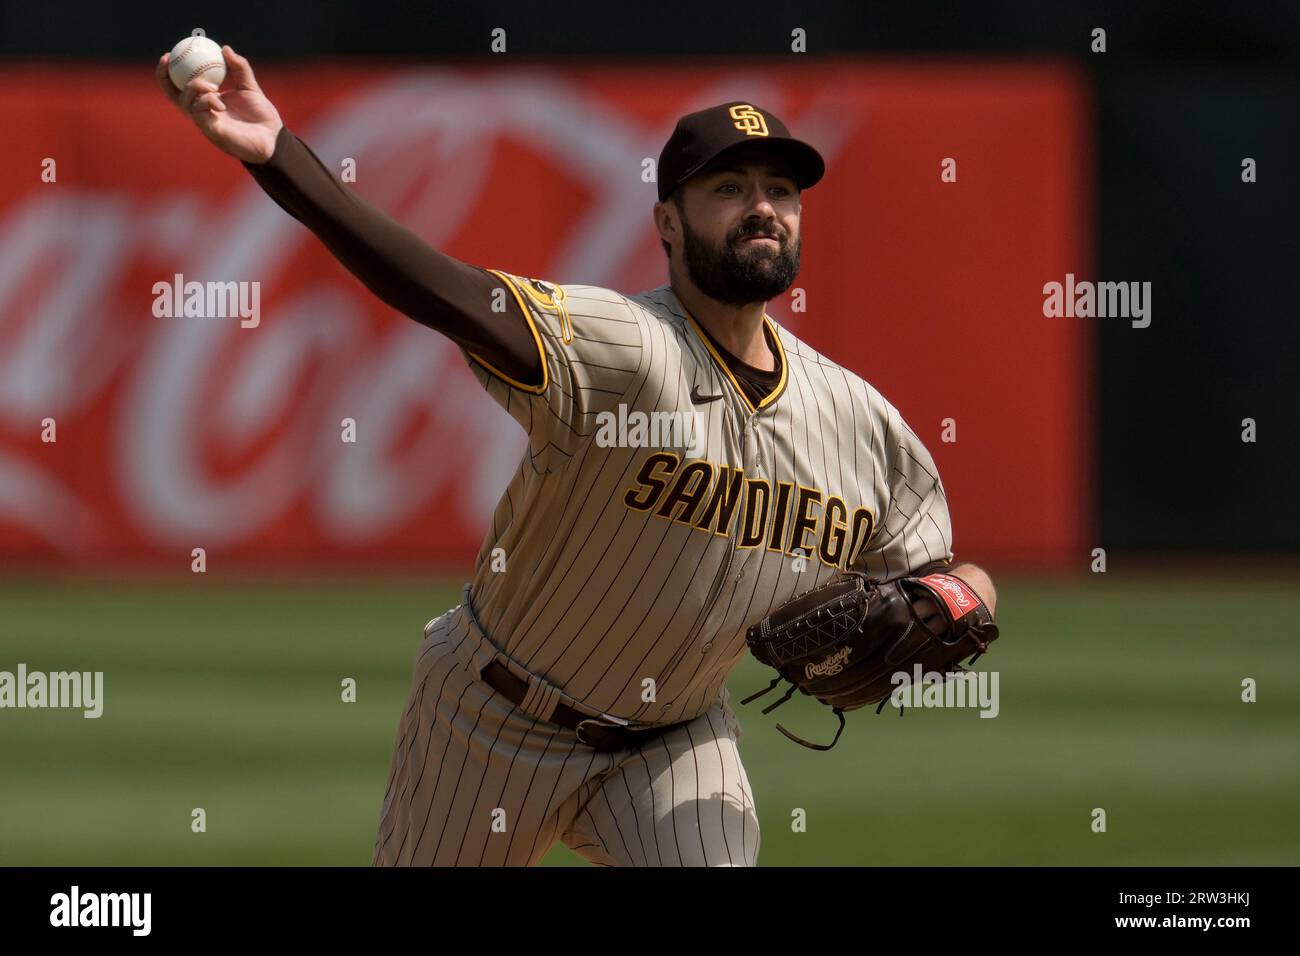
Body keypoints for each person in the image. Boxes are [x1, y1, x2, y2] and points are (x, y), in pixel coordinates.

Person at [157, 46, 998, 867]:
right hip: (488, 720)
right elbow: (441, 289)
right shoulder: (624, 346)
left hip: (673, 743)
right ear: (667, 221)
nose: (763, 207)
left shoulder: (858, 419)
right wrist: (279, 158)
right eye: (729, 188)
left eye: (782, 190)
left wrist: (956, 597)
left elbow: (947, 570)